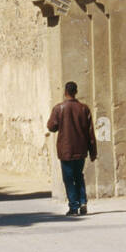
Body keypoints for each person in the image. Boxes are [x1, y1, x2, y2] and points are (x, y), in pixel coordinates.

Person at [46, 81, 97, 217]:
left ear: (65, 92)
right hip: (81, 149)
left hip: (66, 150)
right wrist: (93, 151)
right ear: (76, 92)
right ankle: (83, 202)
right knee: (79, 176)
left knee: (69, 178)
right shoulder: (84, 108)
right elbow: (90, 132)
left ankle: (73, 207)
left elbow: (51, 127)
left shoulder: (59, 108)